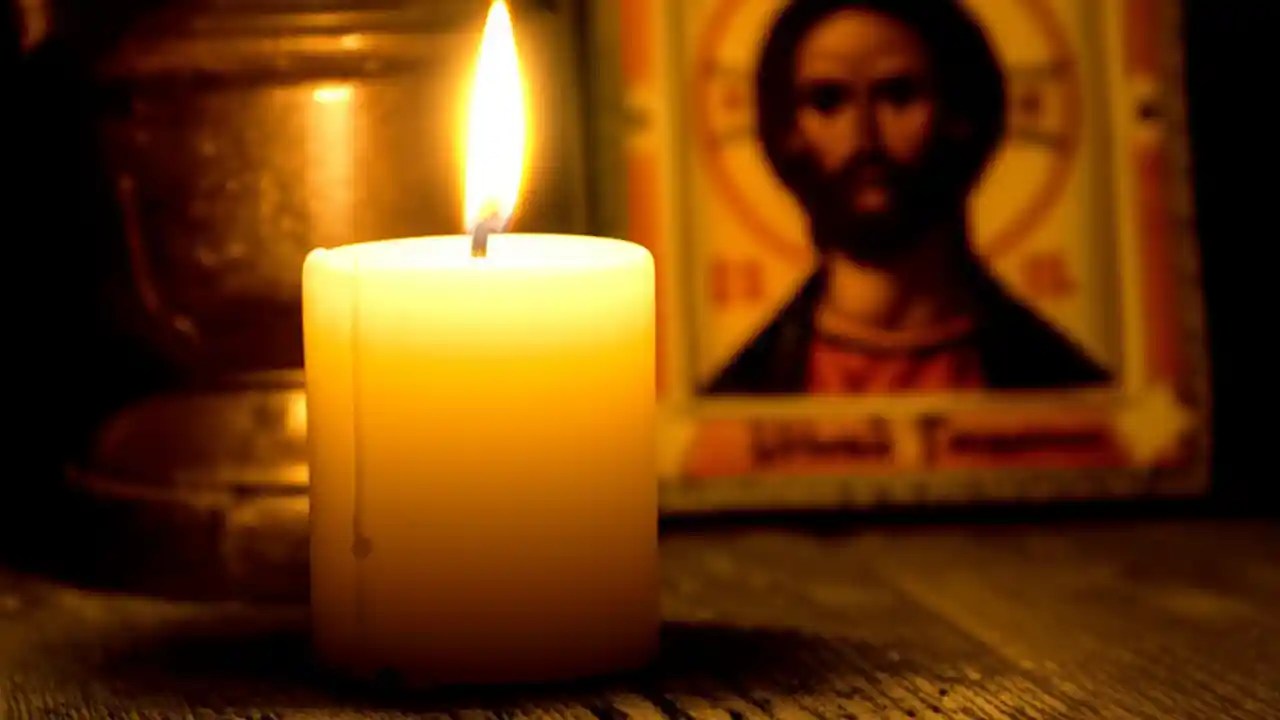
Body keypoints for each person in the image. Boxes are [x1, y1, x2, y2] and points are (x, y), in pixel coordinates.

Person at [706, 0, 1109, 394]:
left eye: (899, 96)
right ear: (789, 133)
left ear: (958, 116)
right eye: (828, 102)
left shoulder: (1056, 381)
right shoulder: (748, 388)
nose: (864, 137)